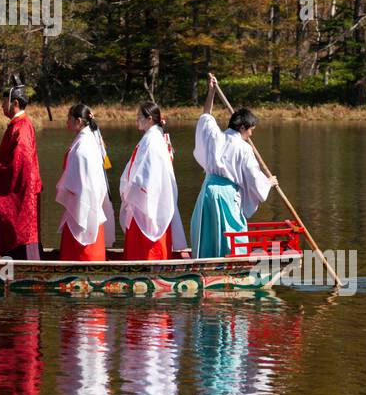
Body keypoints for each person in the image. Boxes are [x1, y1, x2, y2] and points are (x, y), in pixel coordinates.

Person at [190, 74, 278, 257]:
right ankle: (232, 261)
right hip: (226, 195)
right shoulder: (244, 148)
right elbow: (254, 178)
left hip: (207, 190)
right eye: (251, 130)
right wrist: (268, 182)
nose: (251, 134)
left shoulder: (215, 136)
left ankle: (207, 258)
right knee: (234, 230)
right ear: (243, 128)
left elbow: (206, 116)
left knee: (208, 231)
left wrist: (211, 92)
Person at [120, 102, 191, 260]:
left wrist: (134, 191)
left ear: (149, 119)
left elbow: (149, 172)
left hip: (148, 198)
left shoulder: (152, 141)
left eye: (139, 117)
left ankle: (148, 268)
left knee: (147, 236)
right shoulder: (152, 138)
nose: (137, 120)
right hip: (147, 196)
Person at [0, 76, 43, 260]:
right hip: (23, 190)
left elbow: (21, 166)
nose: (2, 106)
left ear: (15, 103)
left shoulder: (22, 128)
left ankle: (22, 264)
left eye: (4, 102)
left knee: (21, 232)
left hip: (22, 193)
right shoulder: (17, 126)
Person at [55, 103, 115, 262]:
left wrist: (69, 191)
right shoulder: (87, 140)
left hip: (82, 202)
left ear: (79, 121)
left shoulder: (83, 147)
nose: (66, 122)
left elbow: (81, 180)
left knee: (79, 245)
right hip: (86, 200)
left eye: (69, 118)